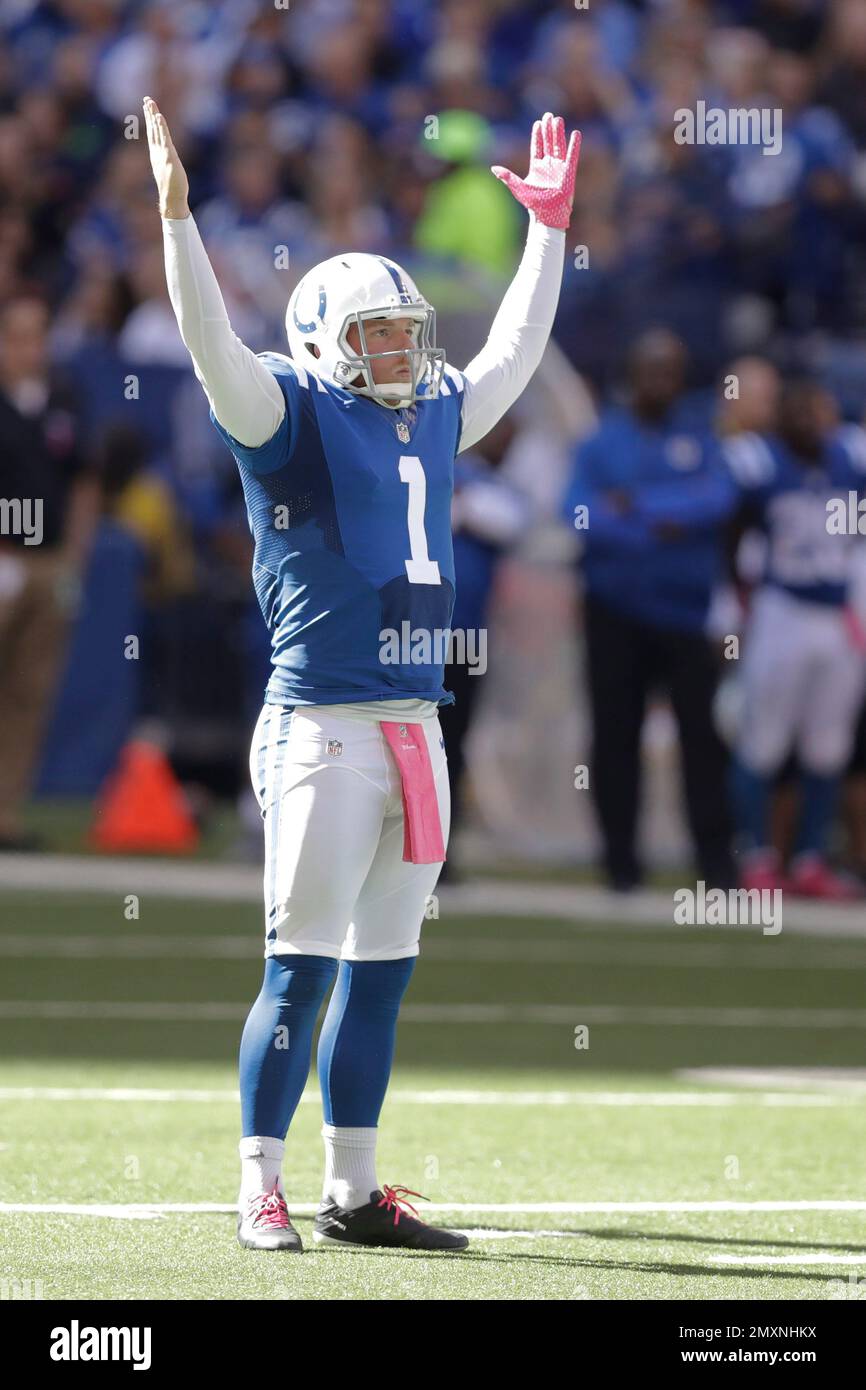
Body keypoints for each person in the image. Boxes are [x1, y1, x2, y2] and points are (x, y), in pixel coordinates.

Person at [144, 98, 580, 1252]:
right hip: (321, 728)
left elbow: (512, 354)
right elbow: (209, 347)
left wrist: (544, 233)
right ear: (326, 340)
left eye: (404, 330)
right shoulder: (283, 412)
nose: (399, 349)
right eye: (376, 334)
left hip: (414, 728)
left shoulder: (435, 405)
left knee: (382, 973)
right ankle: (257, 1181)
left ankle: (354, 1188)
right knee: (300, 972)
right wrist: (179, 227)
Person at [563, 328, 737, 892]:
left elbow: (718, 498)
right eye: (652, 369)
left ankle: (715, 865)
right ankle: (620, 865)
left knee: (702, 741)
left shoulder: (701, 436)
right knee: (615, 736)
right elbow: (580, 513)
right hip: (615, 610)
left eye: (671, 371)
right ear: (633, 374)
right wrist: (660, 522)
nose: (661, 381)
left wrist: (638, 505)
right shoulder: (602, 442)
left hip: (686, 616)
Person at [724, 378, 866, 899]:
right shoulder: (758, 460)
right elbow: (727, 526)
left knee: (829, 748)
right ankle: (758, 857)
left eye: (819, 408)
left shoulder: (850, 454)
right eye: (798, 409)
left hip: (837, 617)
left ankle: (808, 860)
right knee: (762, 742)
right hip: (780, 611)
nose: (809, 419)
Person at [0, 295, 98, 850]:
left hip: (48, 558)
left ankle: (5, 811)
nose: (27, 348)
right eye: (17, 335)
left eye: (37, 335)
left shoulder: (62, 396)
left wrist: (73, 560)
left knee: (28, 691)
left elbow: (83, 479)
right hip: (4, 555)